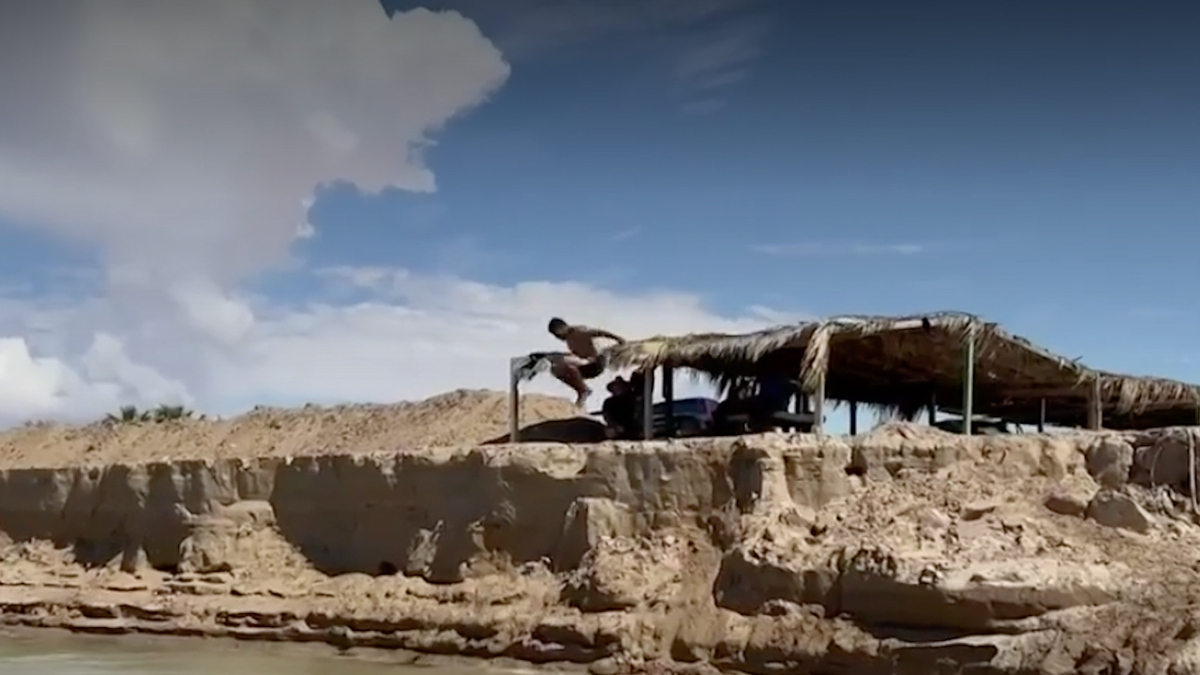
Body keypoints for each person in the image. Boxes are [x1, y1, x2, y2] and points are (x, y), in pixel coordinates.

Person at [547, 317, 627, 409]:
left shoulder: (579, 331)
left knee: (562, 362)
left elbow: (598, 332)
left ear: (561, 328)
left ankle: (584, 390)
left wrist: (618, 338)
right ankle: (581, 390)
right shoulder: (569, 339)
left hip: (595, 362)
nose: (557, 337)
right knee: (555, 368)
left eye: (556, 334)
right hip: (585, 365)